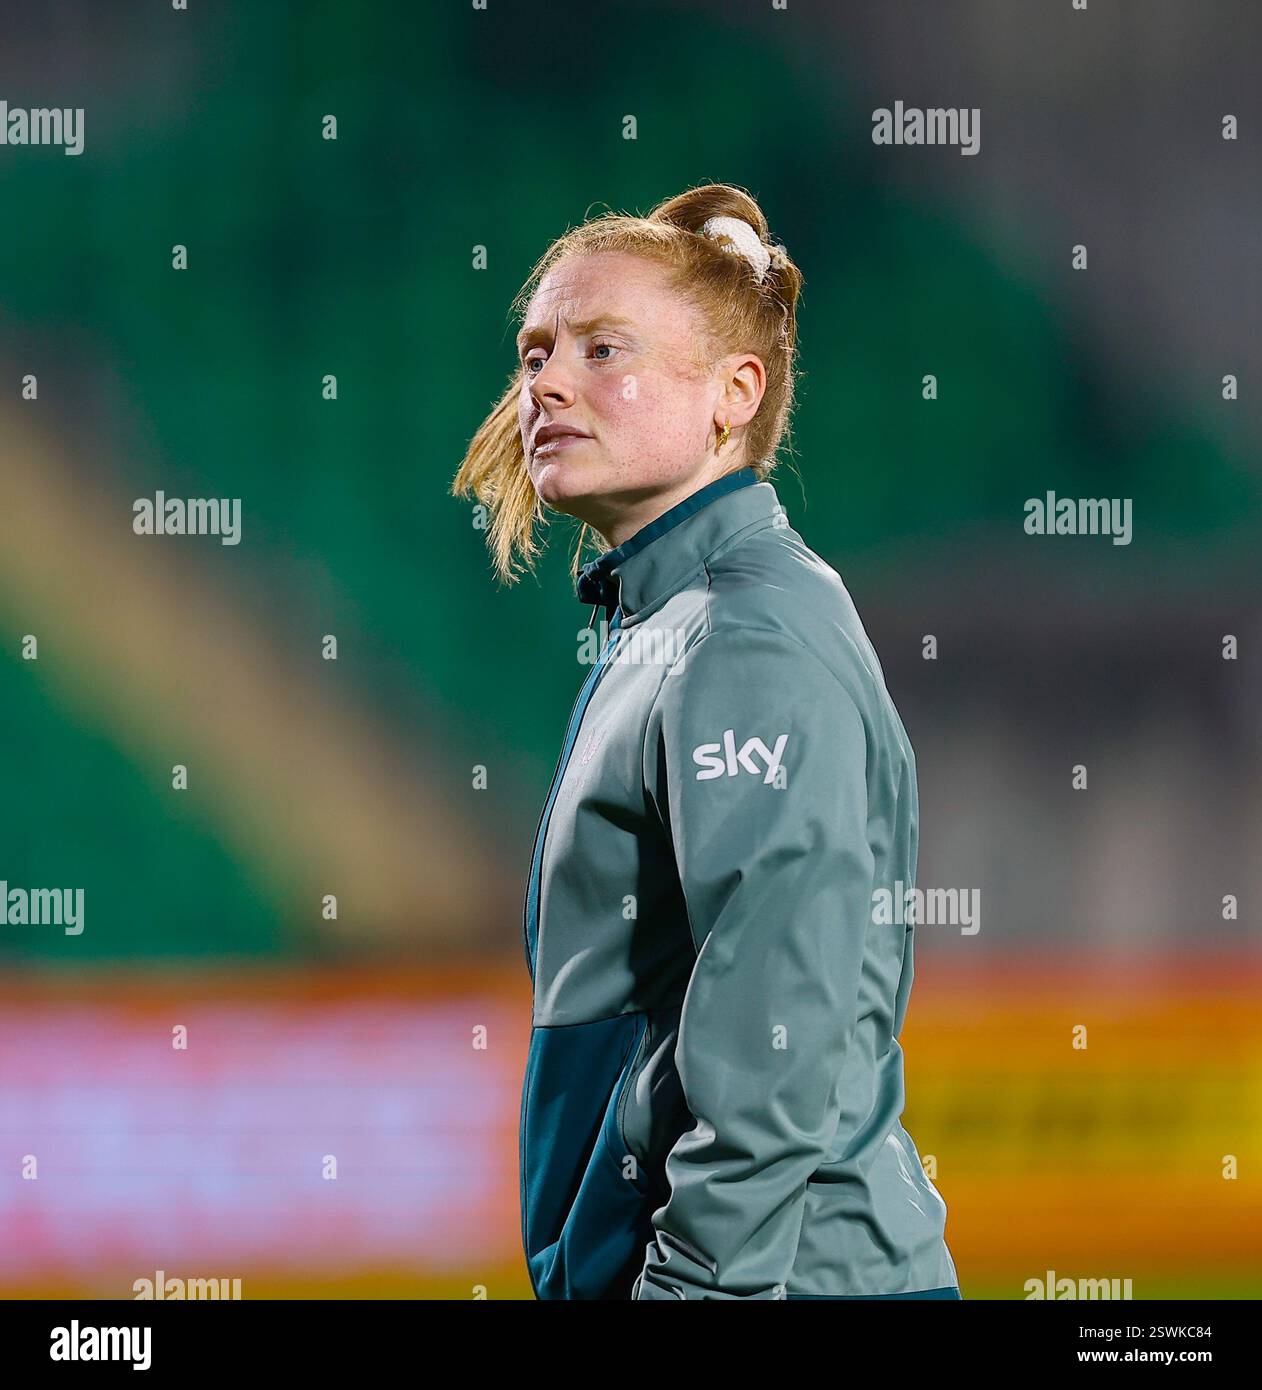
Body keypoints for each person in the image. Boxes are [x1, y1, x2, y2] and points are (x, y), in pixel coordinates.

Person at [451, 182, 961, 1301]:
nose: (544, 382)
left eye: (600, 349)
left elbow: (779, 1024)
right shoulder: (674, 619)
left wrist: (690, 1293)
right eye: (535, 351)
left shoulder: (742, 635)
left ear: (734, 393)